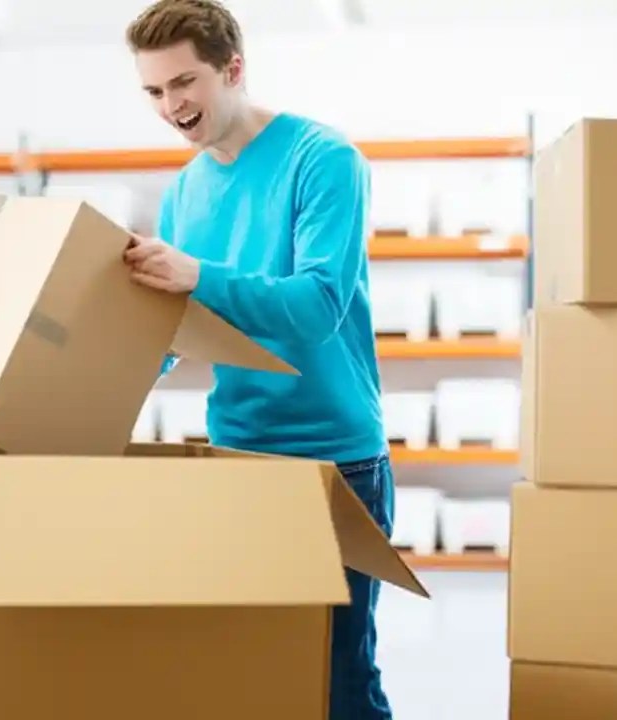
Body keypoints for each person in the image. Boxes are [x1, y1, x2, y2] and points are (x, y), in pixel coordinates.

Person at [121, 2, 395, 718]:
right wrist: (93, 376)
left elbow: (318, 307)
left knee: (338, 682)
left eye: (184, 82)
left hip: (334, 461)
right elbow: (178, 327)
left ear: (233, 68)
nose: (171, 106)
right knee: (255, 672)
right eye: (154, 91)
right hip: (239, 453)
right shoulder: (185, 191)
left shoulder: (322, 160)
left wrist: (196, 276)